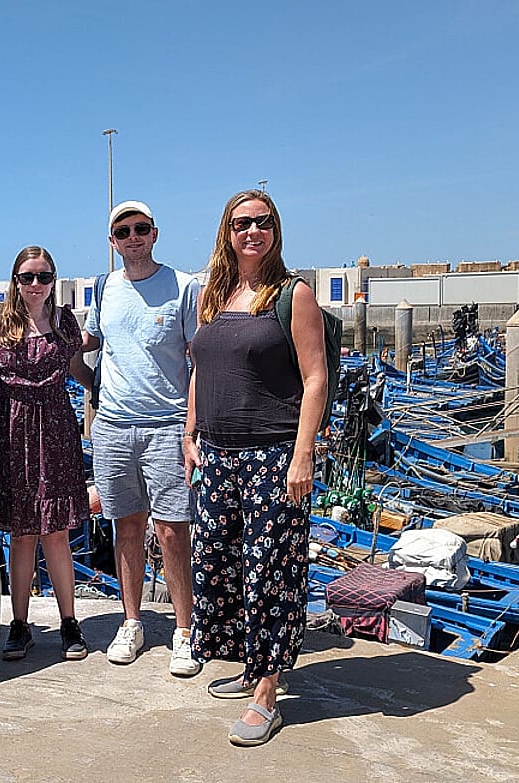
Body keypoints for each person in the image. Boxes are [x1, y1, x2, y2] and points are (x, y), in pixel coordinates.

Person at [183, 190, 325, 747]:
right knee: (222, 565)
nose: (252, 231)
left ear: (276, 230)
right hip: (216, 454)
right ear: (227, 231)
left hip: (272, 454)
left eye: (263, 223)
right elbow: (200, 369)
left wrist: (302, 453)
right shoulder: (213, 295)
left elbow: (315, 378)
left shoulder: (295, 294)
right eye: (242, 223)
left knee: (272, 571)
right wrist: (190, 431)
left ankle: (269, 692)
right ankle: (250, 664)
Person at [81, 200, 201, 675]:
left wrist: (191, 428)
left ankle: (184, 630)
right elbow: (87, 343)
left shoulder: (184, 287)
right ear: (113, 242)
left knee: (173, 531)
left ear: (155, 234)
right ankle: (131, 622)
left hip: (167, 427)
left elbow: (197, 360)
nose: (132, 237)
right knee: (124, 527)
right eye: (123, 231)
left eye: (140, 229)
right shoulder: (104, 287)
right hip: (111, 428)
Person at [0, 246, 90, 662]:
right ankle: (20, 623)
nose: (35, 285)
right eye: (27, 277)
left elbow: (76, 368)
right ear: (15, 280)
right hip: (12, 431)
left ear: (53, 279)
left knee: (56, 533)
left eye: (44, 277)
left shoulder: (65, 320)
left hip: (57, 431)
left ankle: (69, 622)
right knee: (22, 534)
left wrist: (102, 386)